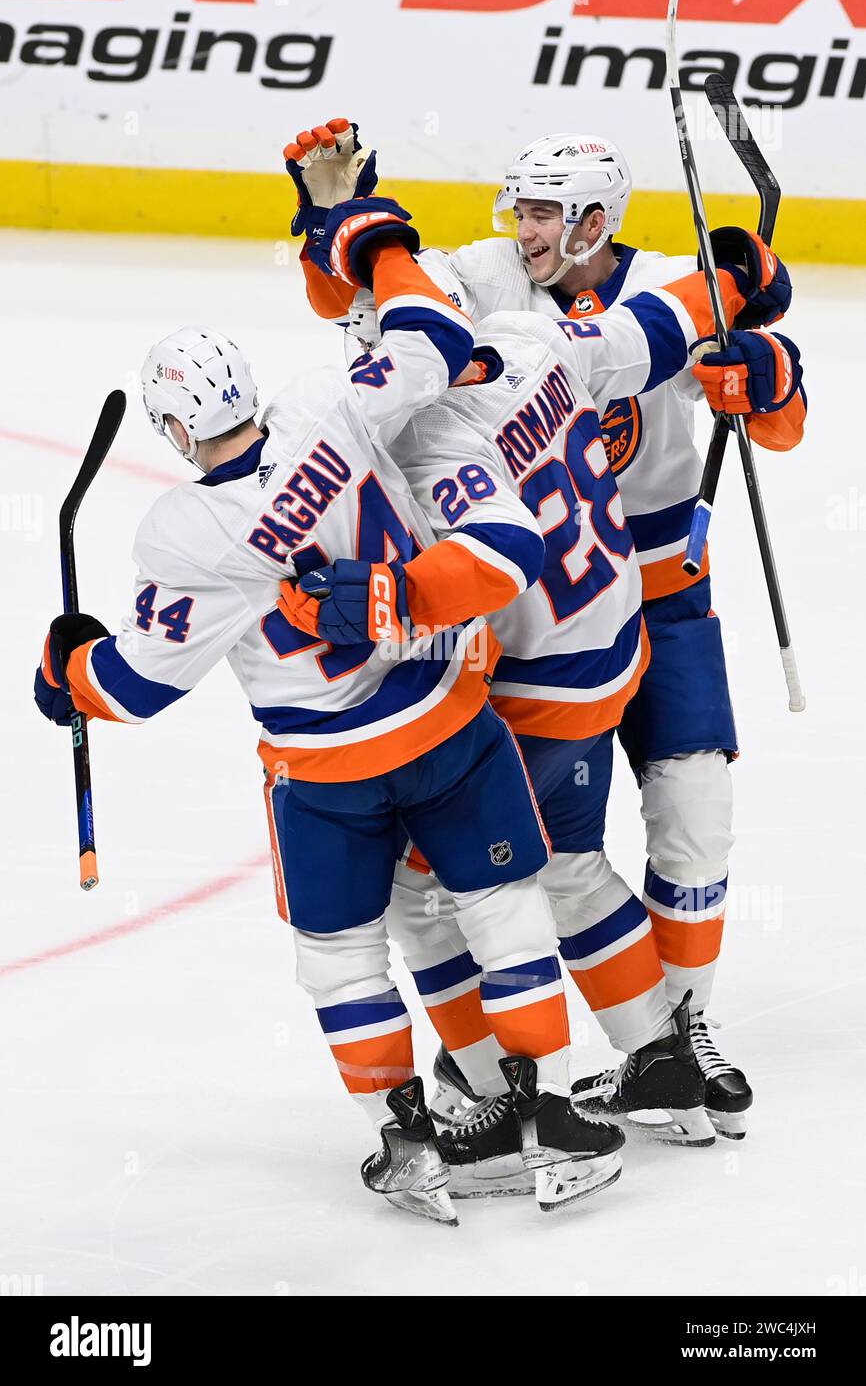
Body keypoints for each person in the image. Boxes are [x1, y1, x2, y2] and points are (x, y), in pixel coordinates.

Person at [33, 206, 628, 1224]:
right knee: (500, 908)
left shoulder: (184, 531)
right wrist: (382, 248)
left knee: (344, 951)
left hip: (325, 777)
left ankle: (406, 1135)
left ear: (176, 430)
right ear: (247, 391)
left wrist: (67, 669)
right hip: (445, 720)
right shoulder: (327, 404)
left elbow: (136, 687)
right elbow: (434, 339)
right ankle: (542, 1112)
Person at [290, 122, 806, 1142]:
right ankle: (583, 1045)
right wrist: (325, 220)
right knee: (528, 849)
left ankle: (675, 1029)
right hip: (534, 623)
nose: (519, 230)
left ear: (592, 219)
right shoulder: (489, 277)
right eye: (516, 208)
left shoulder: (657, 280)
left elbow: (781, 414)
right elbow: (360, 306)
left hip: (658, 589)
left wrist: (762, 373)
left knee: (692, 810)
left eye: (539, 212)